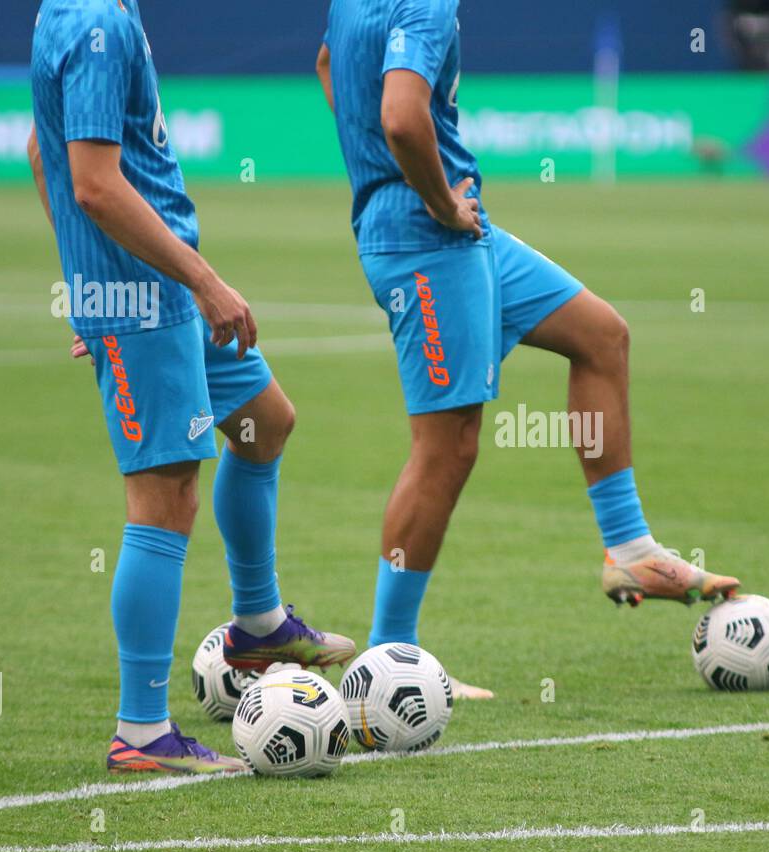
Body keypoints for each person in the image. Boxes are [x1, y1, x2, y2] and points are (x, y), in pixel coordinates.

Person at [316, 0, 740, 697]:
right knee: (447, 446)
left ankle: (630, 550)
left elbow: (329, 63)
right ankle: (390, 661)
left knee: (600, 335)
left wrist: (381, 173)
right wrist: (430, 195)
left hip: (455, 231)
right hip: (430, 233)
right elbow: (400, 115)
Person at [29, 0, 354, 772]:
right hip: (149, 296)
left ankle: (258, 622)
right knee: (166, 498)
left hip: (146, 289)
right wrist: (199, 281)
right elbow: (94, 186)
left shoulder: (77, 11)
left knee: (264, 422)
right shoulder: (97, 21)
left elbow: (44, 156)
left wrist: (85, 281)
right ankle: (141, 731)